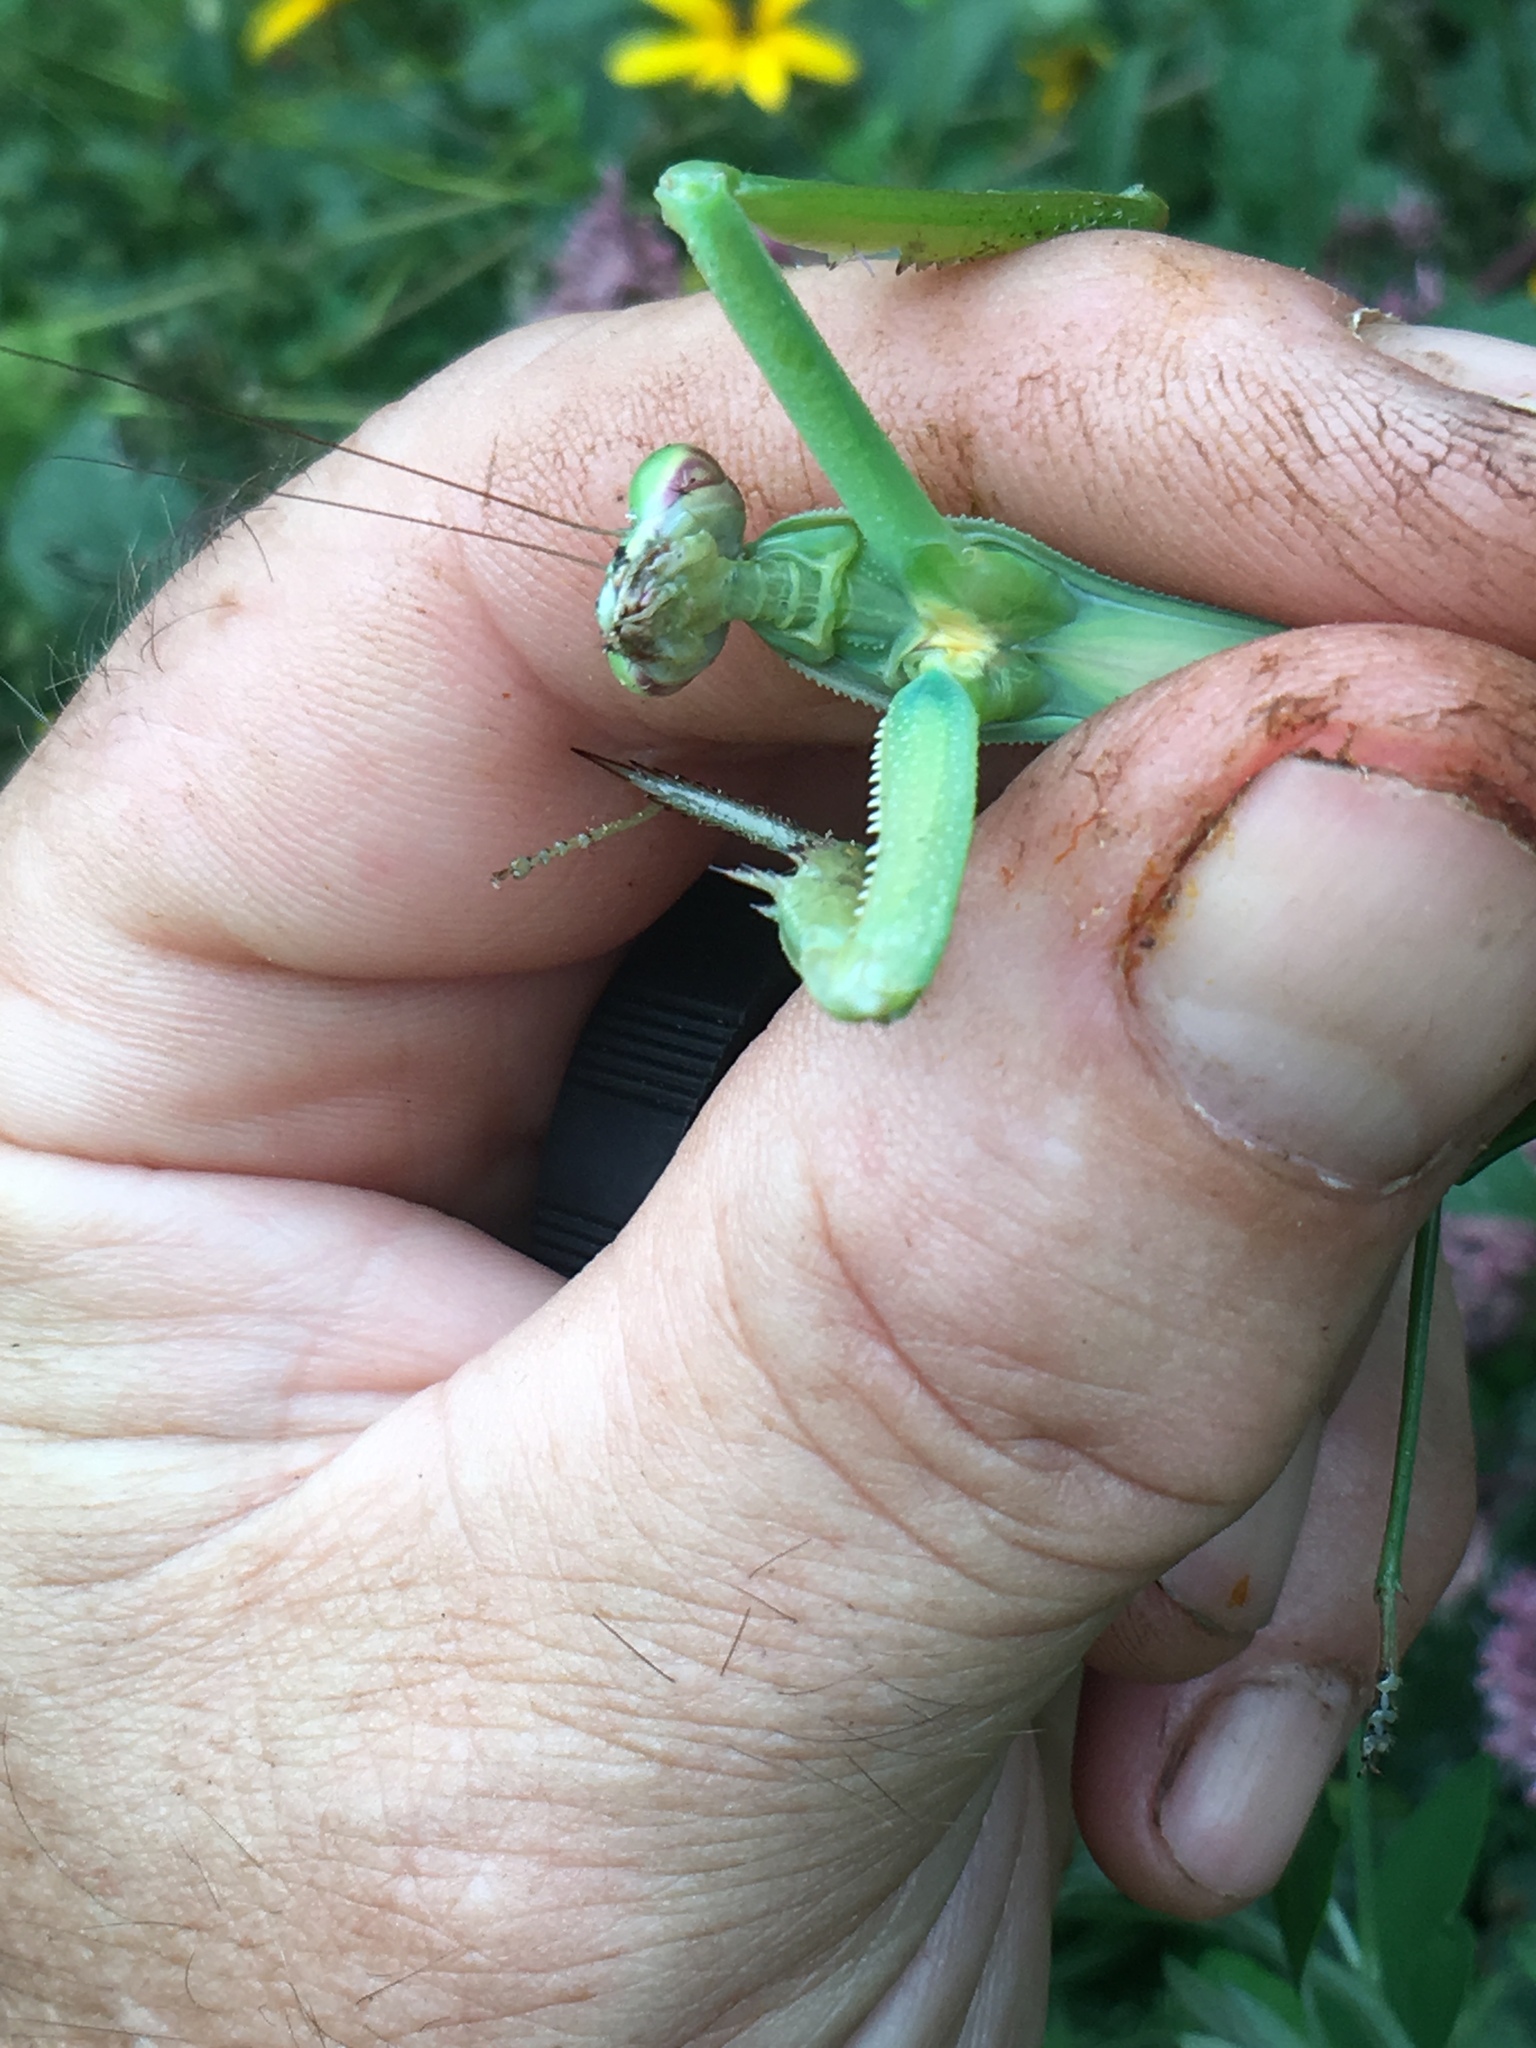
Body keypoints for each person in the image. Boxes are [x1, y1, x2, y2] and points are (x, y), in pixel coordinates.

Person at [2, 222, 1535, 2044]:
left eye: (680, 526)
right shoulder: (941, 652)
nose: (673, 567)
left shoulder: (941, 649)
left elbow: (878, 979)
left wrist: (818, 888)